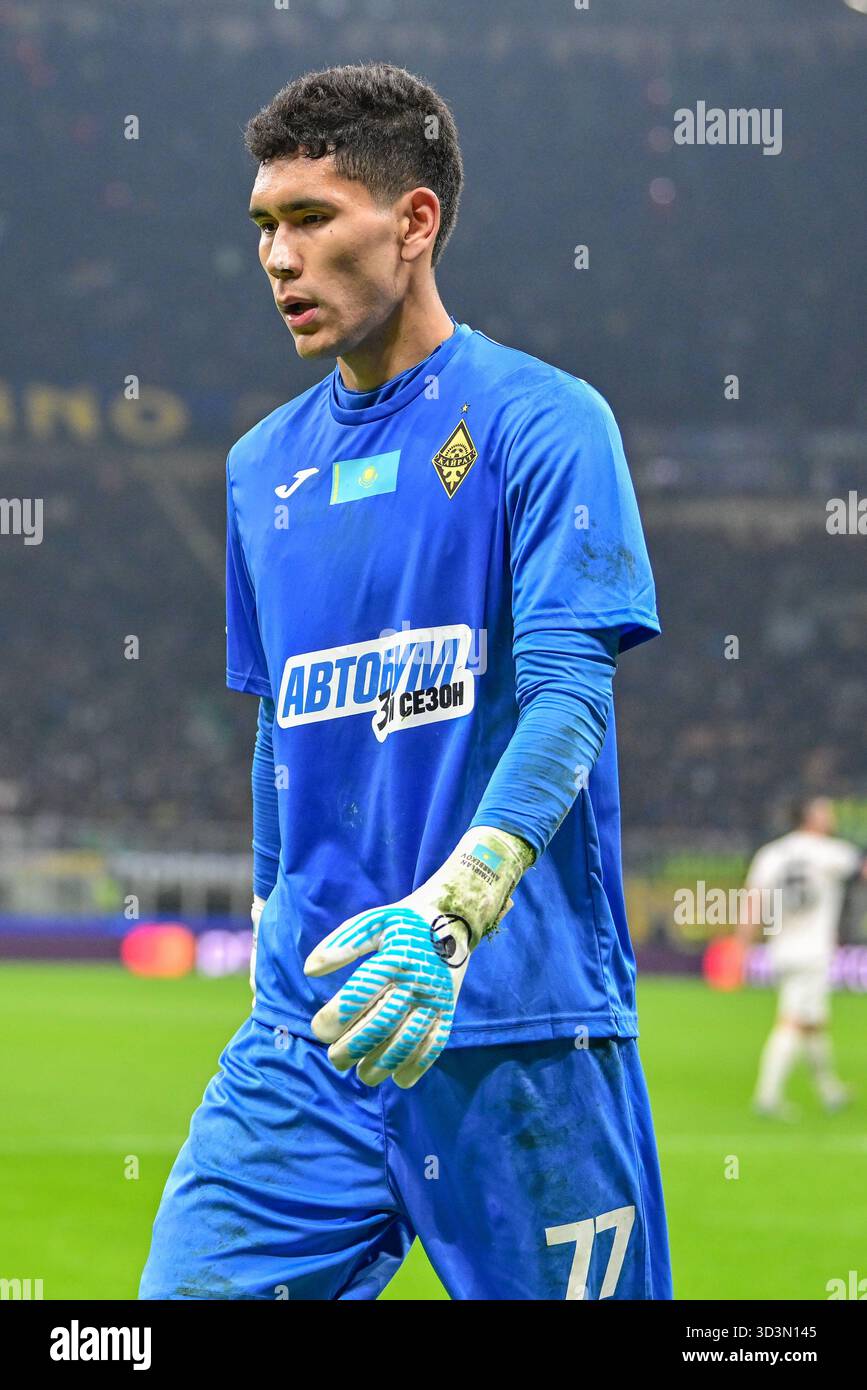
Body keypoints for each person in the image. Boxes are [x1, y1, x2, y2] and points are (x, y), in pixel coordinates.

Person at [139, 61, 671, 1301]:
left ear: (415, 222)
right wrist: (277, 913)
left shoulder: (545, 421)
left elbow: (567, 697)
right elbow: (279, 729)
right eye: (266, 226)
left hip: (515, 1028)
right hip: (310, 1039)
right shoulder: (258, 469)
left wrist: (450, 917)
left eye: (314, 220)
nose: (279, 257)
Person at [741, 796, 865, 1119]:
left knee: (813, 1021)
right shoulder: (830, 852)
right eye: (826, 811)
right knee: (793, 1022)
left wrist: (742, 944)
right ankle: (767, 1096)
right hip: (813, 950)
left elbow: (752, 901)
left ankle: (829, 1090)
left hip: (781, 948)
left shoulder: (771, 853)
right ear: (811, 818)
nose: (832, 816)